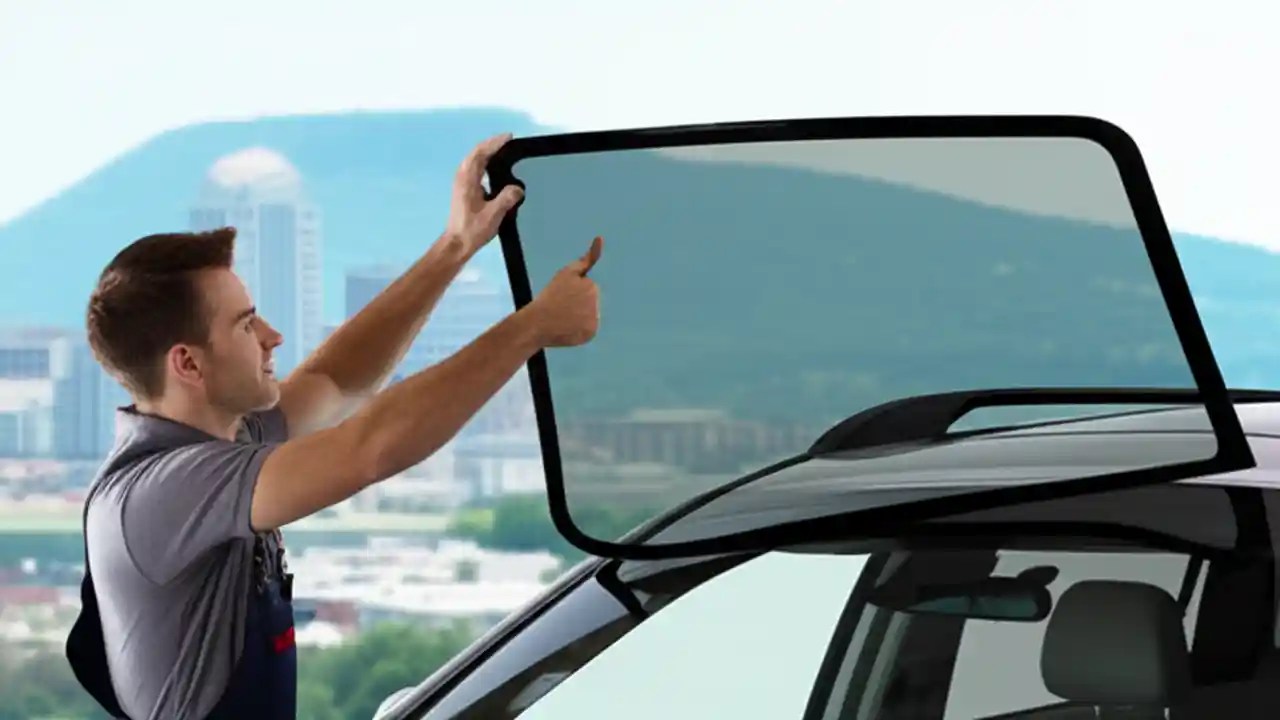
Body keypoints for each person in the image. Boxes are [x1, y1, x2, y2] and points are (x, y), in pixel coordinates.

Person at [63, 134, 603, 720]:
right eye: (246, 326)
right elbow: (369, 449)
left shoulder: (228, 435)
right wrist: (530, 330)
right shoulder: (163, 492)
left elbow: (339, 380)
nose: (273, 336)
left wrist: (455, 245)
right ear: (188, 363)